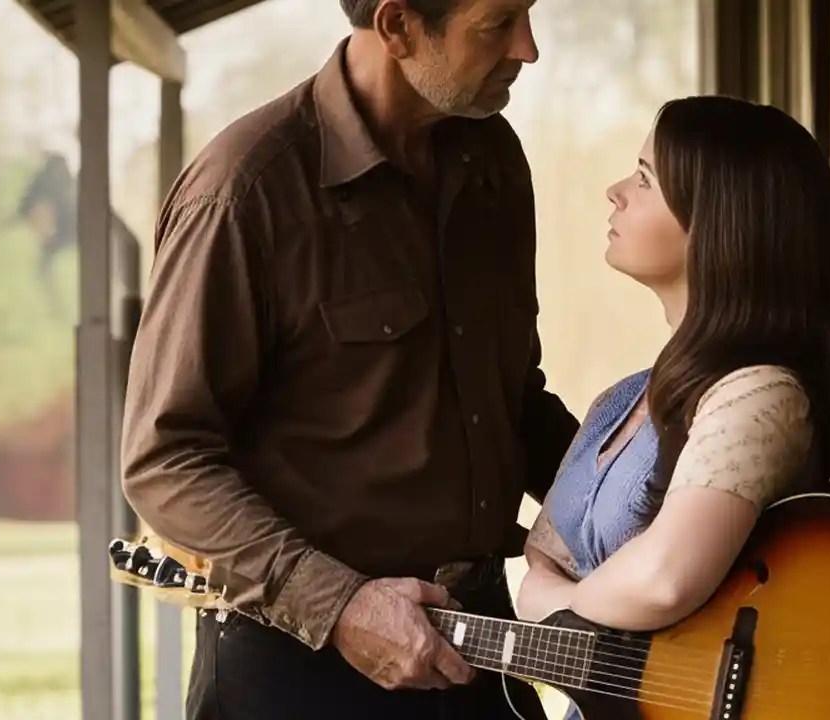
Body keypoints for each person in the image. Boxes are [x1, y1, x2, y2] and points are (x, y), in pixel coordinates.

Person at [120, 1, 577, 718]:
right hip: (298, 672)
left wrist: (649, 523)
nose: (528, 48)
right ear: (396, 26)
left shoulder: (494, 159)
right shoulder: (243, 192)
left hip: (482, 656)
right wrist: (339, 605)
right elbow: (165, 459)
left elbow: (512, 397)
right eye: (497, 24)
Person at [516, 95, 830, 644]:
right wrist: (583, 595)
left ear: (717, 221)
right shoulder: (621, 401)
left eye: (644, 179)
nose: (616, 192)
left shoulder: (759, 395)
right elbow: (538, 570)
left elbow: (663, 582)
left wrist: (566, 603)